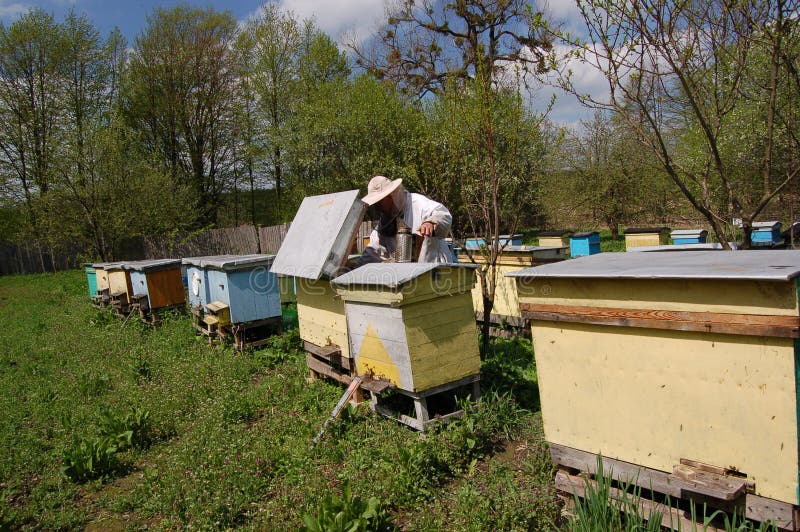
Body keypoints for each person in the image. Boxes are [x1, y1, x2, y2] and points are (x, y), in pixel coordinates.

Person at [358, 175, 453, 264]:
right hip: (408, 274)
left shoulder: (417, 202)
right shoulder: (384, 222)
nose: (377, 206)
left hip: (436, 269)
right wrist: (354, 271)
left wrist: (431, 222)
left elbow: (442, 213)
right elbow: (373, 252)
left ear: (390, 196)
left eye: (379, 201)